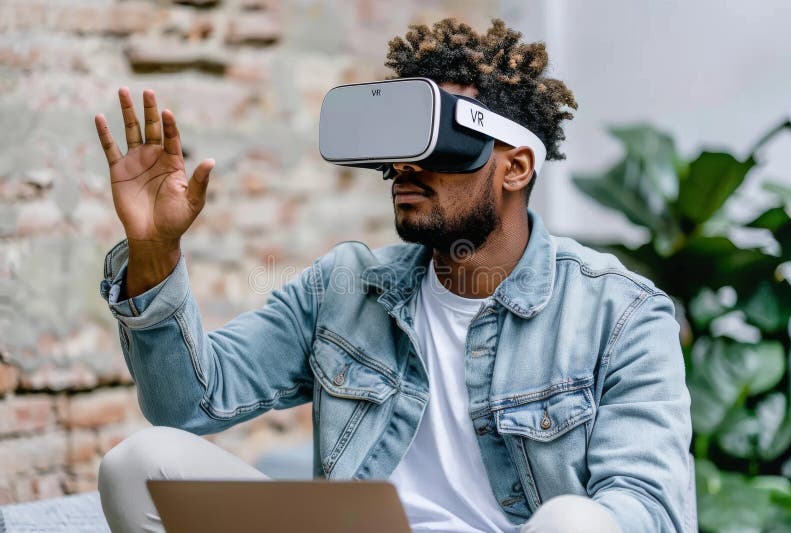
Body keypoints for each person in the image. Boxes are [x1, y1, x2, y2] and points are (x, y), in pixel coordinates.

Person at [94, 18, 694, 533]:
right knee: (141, 465)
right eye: (400, 141)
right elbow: (187, 403)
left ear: (515, 168)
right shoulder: (345, 287)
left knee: (578, 522)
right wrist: (155, 252)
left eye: (437, 141)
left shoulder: (620, 315)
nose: (405, 165)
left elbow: (649, 508)